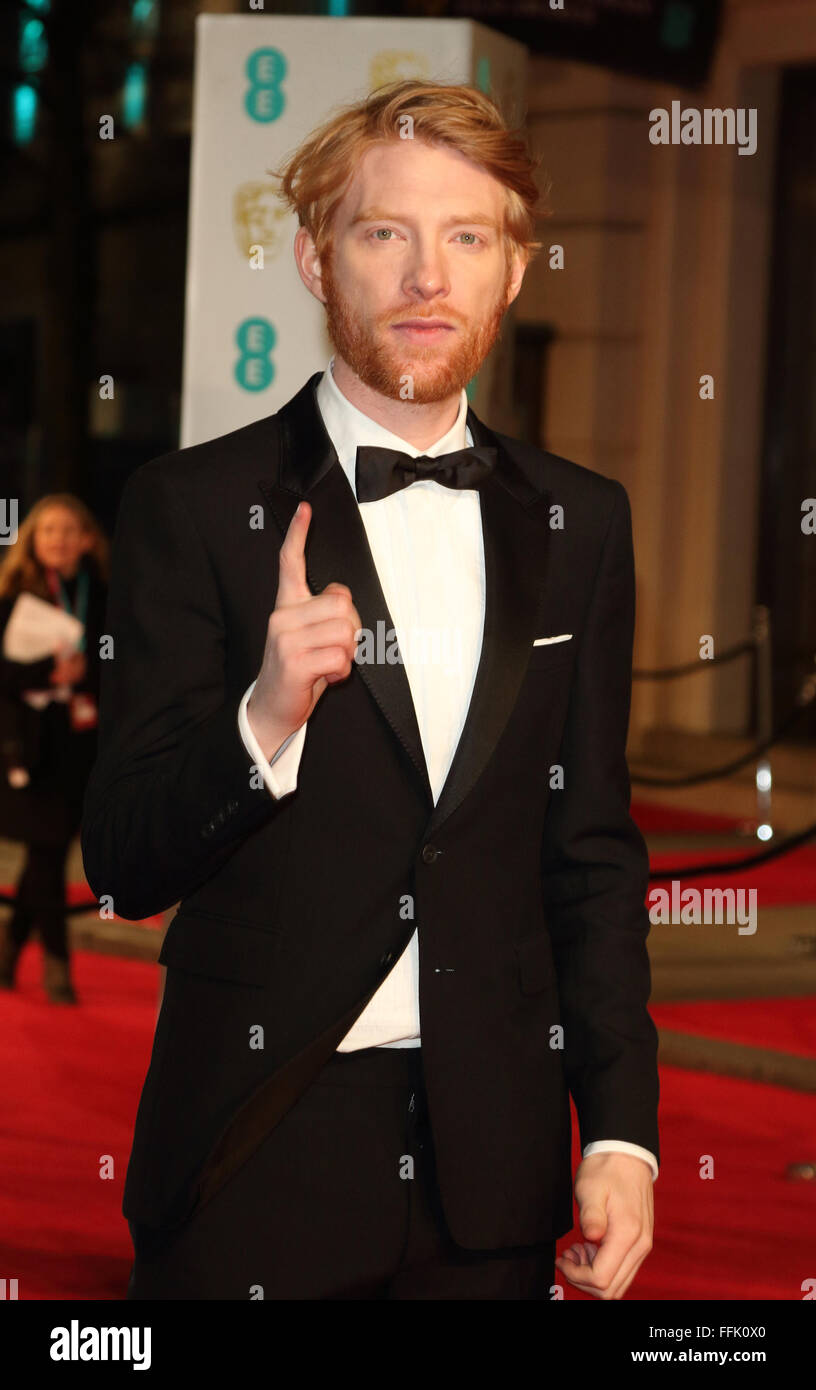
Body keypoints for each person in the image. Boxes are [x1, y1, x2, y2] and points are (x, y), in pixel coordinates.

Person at [81, 79, 659, 1300]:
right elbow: (125, 861)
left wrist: (617, 1132)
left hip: (494, 1170)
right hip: (258, 1144)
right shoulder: (190, 509)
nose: (424, 277)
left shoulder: (583, 523)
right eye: (383, 232)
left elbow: (591, 853)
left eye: (467, 238)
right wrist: (263, 720)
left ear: (513, 271)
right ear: (313, 258)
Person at [0, 494, 108, 1004]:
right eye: (48, 531)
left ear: (87, 539)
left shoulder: (106, 594)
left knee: (50, 850)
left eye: (69, 530)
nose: (59, 539)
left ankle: (7, 947)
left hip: (82, 744)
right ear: (32, 539)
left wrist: (89, 672)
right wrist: (48, 671)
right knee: (47, 849)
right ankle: (58, 965)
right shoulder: (12, 595)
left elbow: (127, 666)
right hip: (28, 745)